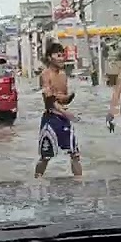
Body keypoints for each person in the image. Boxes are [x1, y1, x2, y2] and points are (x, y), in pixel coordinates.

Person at [36, 42, 82, 181]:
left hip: (64, 119)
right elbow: (49, 100)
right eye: (58, 55)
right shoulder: (45, 75)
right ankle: (37, 180)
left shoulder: (63, 75)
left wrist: (69, 98)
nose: (62, 58)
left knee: (75, 154)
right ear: (50, 58)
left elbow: (62, 98)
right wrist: (66, 113)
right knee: (46, 157)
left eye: (63, 55)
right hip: (51, 119)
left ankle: (79, 182)